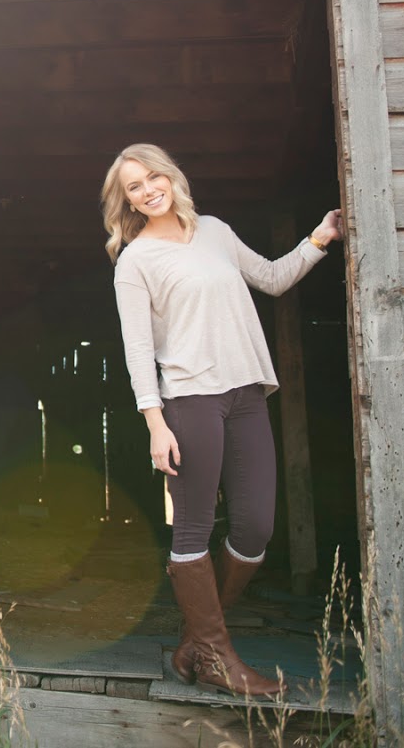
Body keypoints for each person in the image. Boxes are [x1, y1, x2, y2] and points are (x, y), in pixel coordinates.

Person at [100, 142, 341, 698]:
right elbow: (138, 351)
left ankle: (197, 642)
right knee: (194, 527)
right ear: (126, 201)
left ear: (171, 176)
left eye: (152, 176)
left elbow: (275, 279)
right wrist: (155, 424)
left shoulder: (214, 231)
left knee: (256, 526)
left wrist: (321, 237)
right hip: (189, 400)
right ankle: (216, 653)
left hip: (247, 392)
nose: (147, 189)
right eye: (133, 187)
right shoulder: (135, 261)